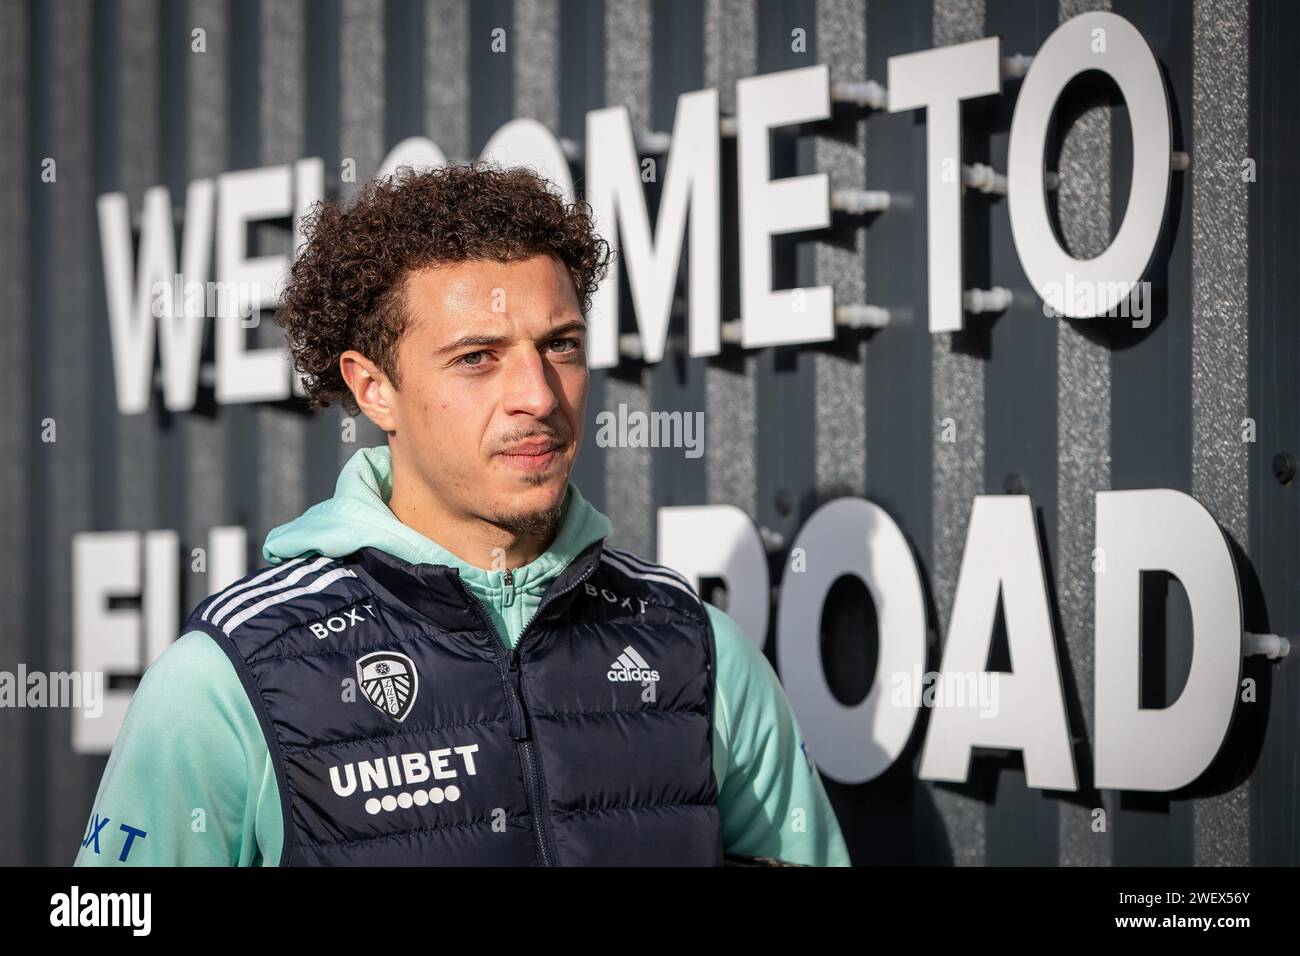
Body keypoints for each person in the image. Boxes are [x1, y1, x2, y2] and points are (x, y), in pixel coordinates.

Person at [74, 162, 850, 867]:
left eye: (562, 345)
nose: (540, 397)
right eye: (477, 358)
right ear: (374, 387)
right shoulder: (230, 680)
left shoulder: (698, 651)